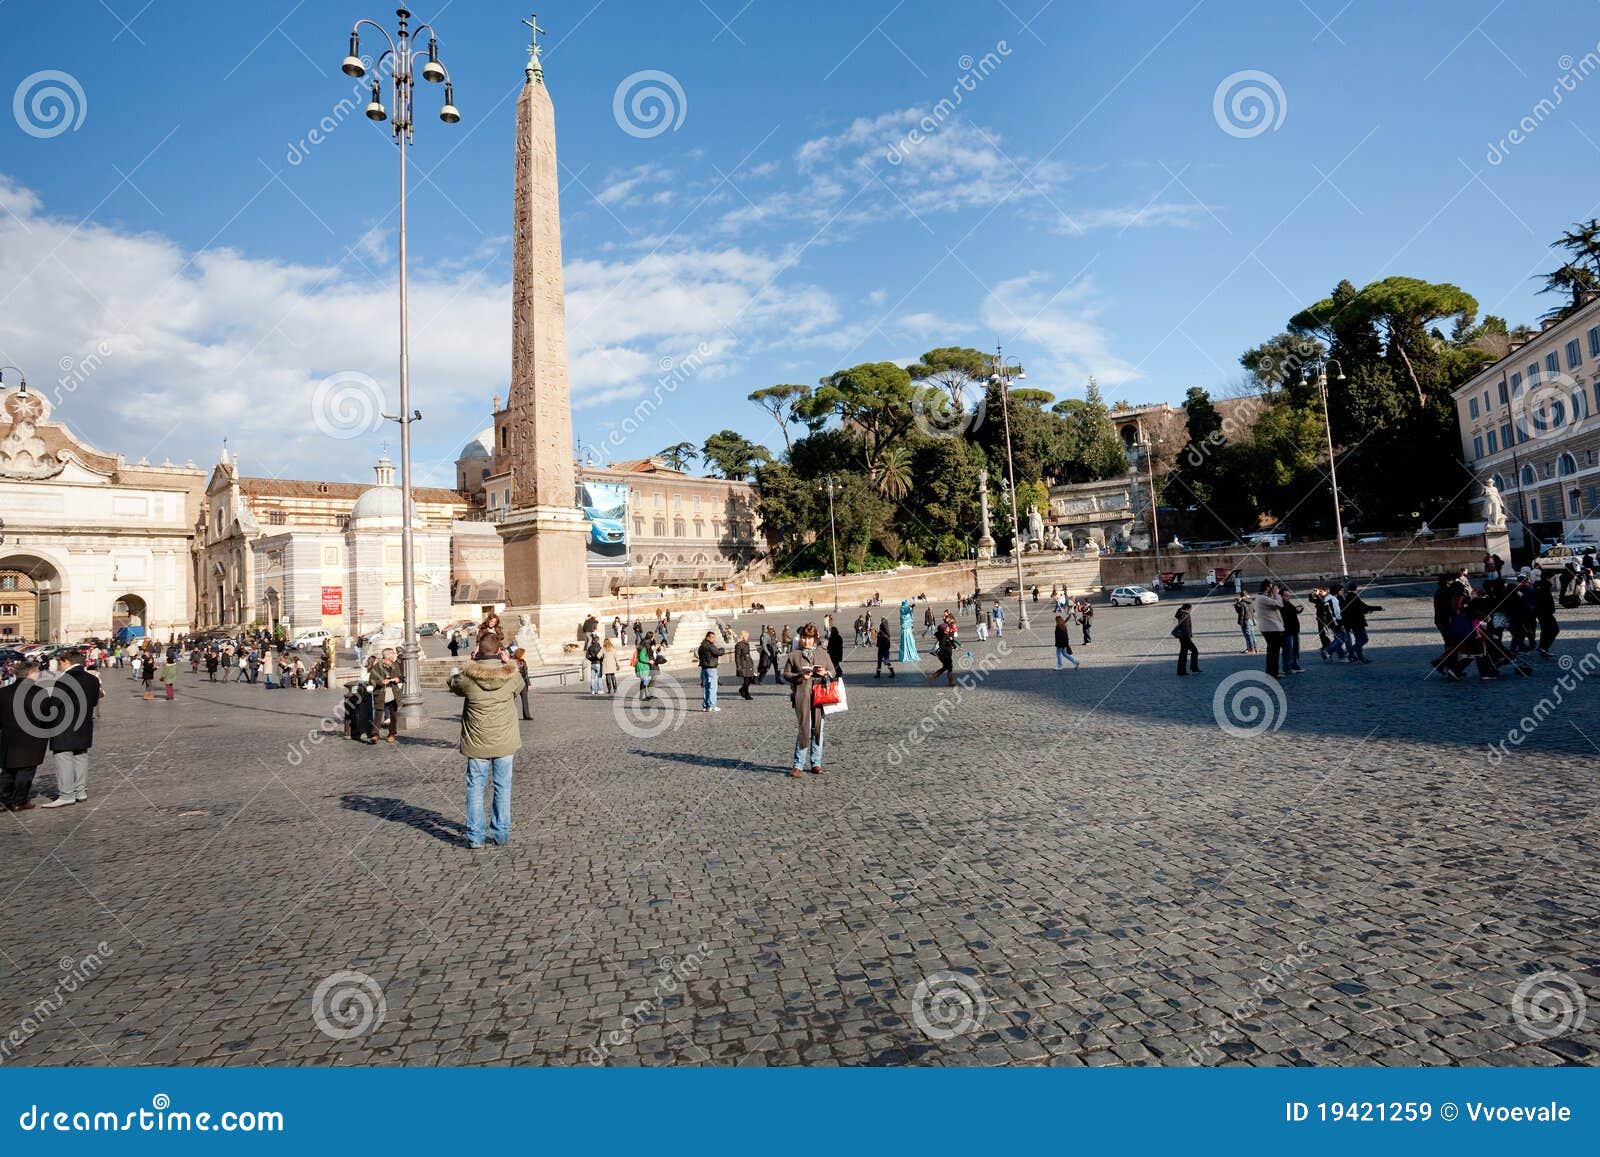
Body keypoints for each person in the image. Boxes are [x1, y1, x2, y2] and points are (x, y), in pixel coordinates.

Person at [448, 630, 526, 851]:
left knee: (475, 788)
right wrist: (508, 662)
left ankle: (475, 837)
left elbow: (452, 683)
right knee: (503, 787)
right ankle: (500, 834)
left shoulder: (468, 678)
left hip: (477, 742)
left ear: (478, 651)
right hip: (504, 742)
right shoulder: (510, 675)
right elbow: (521, 685)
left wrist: (469, 661)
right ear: (499, 651)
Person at [42, 650, 101, 807]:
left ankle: (67, 794)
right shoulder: (93, 679)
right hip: (84, 725)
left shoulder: (65, 679)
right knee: (80, 757)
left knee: (64, 757)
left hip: (64, 726)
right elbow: (94, 702)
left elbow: (54, 704)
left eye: (60, 663)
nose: (60, 666)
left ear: (66, 661)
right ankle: (80, 791)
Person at [782, 623, 837, 778]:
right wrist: (800, 675)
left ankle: (816, 763)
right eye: (804, 638)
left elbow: (833, 671)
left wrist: (824, 672)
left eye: (810, 638)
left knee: (818, 729)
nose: (806, 641)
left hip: (819, 696)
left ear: (815, 638)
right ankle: (798, 764)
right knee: (804, 729)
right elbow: (785, 675)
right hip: (802, 696)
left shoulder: (823, 653)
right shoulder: (795, 655)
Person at [0, 661, 49, 811]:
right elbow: (45, 716)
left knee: (8, 771)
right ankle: (19, 801)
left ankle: (2, 801)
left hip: (9, 736)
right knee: (25, 771)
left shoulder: (3, 692)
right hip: (32, 738)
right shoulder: (39, 692)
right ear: (31, 673)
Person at [1340, 585, 1382, 663]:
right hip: (1357, 623)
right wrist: (1379, 608)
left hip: (1352, 623)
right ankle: (1350, 652)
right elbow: (1364, 606)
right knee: (1364, 639)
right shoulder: (1354, 597)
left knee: (1358, 640)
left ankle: (1361, 658)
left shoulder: (1347, 597)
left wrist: (1365, 611)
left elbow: (1356, 609)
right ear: (1355, 590)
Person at [367, 648, 401, 741]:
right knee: (378, 714)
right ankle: (375, 734)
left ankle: (392, 734)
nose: (394, 655)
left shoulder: (395, 665)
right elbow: (371, 681)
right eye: (393, 654)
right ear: (387, 656)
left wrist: (398, 679)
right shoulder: (377, 667)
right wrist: (381, 682)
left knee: (393, 715)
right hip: (381, 693)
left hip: (393, 693)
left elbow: (400, 676)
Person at [1254, 580, 1285, 678]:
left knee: (1272, 651)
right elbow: (1280, 604)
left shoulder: (1262, 597)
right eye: (1271, 587)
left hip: (1270, 628)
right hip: (1271, 628)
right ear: (1267, 587)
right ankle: (1273, 673)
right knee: (1273, 652)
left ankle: (1272, 671)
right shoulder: (1262, 598)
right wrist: (1276, 594)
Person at [1278, 585, 1305, 675]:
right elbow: (1287, 614)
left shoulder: (1288, 603)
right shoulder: (1281, 604)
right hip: (1287, 631)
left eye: (1289, 595)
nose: (1288, 597)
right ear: (1281, 596)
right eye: (1286, 595)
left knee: (1295, 649)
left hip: (1294, 630)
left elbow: (1294, 611)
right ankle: (1287, 668)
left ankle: (1295, 665)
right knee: (1288, 650)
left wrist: (1299, 609)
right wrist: (1296, 609)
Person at [696, 630, 726, 712]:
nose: (714, 639)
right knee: (713, 688)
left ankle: (705, 706)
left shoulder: (701, 646)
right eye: (712, 637)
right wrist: (723, 650)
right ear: (707, 637)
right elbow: (717, 652)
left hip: (703, 669)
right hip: (711, 669)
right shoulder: (710, 645)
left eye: (714, 637)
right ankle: (712, 705)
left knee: (706, 688)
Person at [1533, 573, 1560, 657]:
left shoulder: (1541, 586)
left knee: (1546, 630)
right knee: (1553, 629)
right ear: (1548, 579)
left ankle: (1543, 647)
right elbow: (1546, 601)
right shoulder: (1544, 587)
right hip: (1545, 612)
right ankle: (1543, 647)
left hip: (1542, 612)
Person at [929, 618, 957, 686]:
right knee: (949, 667)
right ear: (944, 630)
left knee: (946, 667)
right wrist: (947, 649)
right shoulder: (944, 636)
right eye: (947, 627)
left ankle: (934, 675)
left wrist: (953, 642)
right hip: (945, 655)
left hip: (945, 654)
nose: (948, 627)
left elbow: (950, 641)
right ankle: (951, 682)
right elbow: (942, 645)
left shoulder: (945, 635)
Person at [1174, 603, 1200, 676]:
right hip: (1185, 638)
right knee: (1195, 651)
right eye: (1190, 608)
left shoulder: (1182, 614)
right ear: (1187, 609)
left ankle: (1181, 671)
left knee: (1183, 653)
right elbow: (1185, 628)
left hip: (1183, 638)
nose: (1191, 610)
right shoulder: (1185, 615)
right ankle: (1193, 668)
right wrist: (1189, 637)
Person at [634, 632, 657, 701]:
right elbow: (641, 658)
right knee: (644, 682)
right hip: (642, 666)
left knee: (643, 682)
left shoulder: (644, 645)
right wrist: (649, 661)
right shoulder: (644, 648)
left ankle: (643, 696)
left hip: (644, 666)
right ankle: (644, 696)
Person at [897, 599, 921, 663]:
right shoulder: (902, 609)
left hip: (908, 629)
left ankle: (911, 654)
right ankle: (906, 655)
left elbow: (909, 611)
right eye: (907, 604)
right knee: (906, 642)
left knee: (911, 642)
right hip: (905, 630)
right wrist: (911, 606)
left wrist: (911, 606)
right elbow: (906, 609)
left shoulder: (906, 611)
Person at [734, 630, 756, 700]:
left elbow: (748, 654)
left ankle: (742, 689)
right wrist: (738, 666)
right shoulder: (739, 645)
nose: (748, 637)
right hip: (743, 664)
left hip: (748, 663)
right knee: (746, 680)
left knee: (750, 679)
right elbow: (737, 656)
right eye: (747, 636)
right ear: (744, 636)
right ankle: (747, 694)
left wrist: (751, 662)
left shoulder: (747, 644)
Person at [513, 647, 533, 720]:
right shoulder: (513, 661)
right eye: (523, 654)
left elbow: (526, 674)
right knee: (512, 699)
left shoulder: (523, 662)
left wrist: (528, 684)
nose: (525, 655)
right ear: (520, 654)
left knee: (525, 700)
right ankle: (510, 715)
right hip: (515, 684)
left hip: (524, 683)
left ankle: (526, 715)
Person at [584, 631, 605, 696]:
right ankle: (600, 690)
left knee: (592, 678)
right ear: (598, 640)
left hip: (592, 664)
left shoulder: (590, 647)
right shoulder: (600, 647)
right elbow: (602, 656)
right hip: (598, 663)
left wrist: (591, 659)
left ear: (593, 640)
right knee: (599, 677)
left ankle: (593, 690)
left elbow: (587, 656)